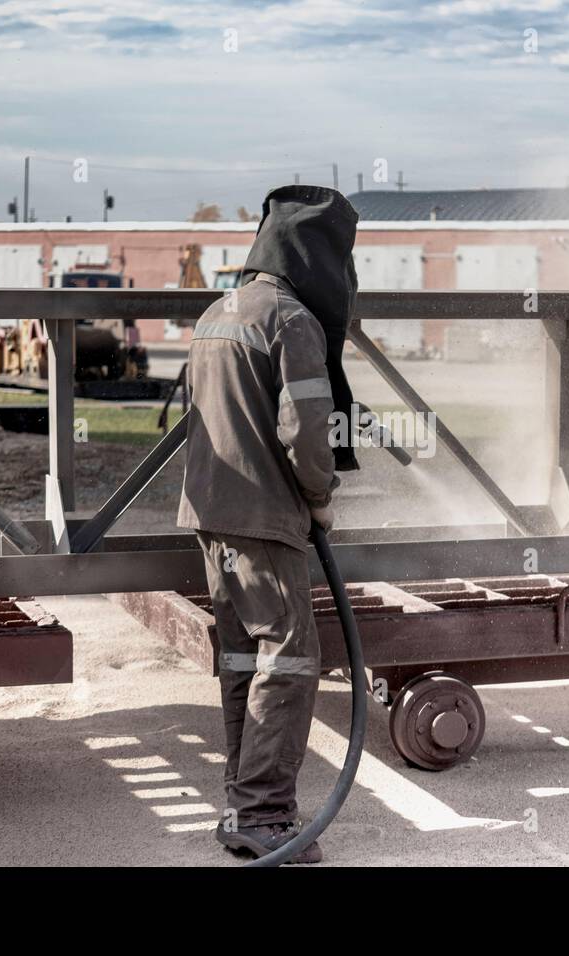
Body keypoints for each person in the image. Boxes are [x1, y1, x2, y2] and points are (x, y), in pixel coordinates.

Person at [177, 184, 360, 863]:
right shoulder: (291, 320)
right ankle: (265, 816)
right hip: (264, 516)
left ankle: (241, 804)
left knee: (240, 657)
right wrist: (319, 497)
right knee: (288, 660)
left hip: (210, 514)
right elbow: (308, 430)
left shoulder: (216, 310)